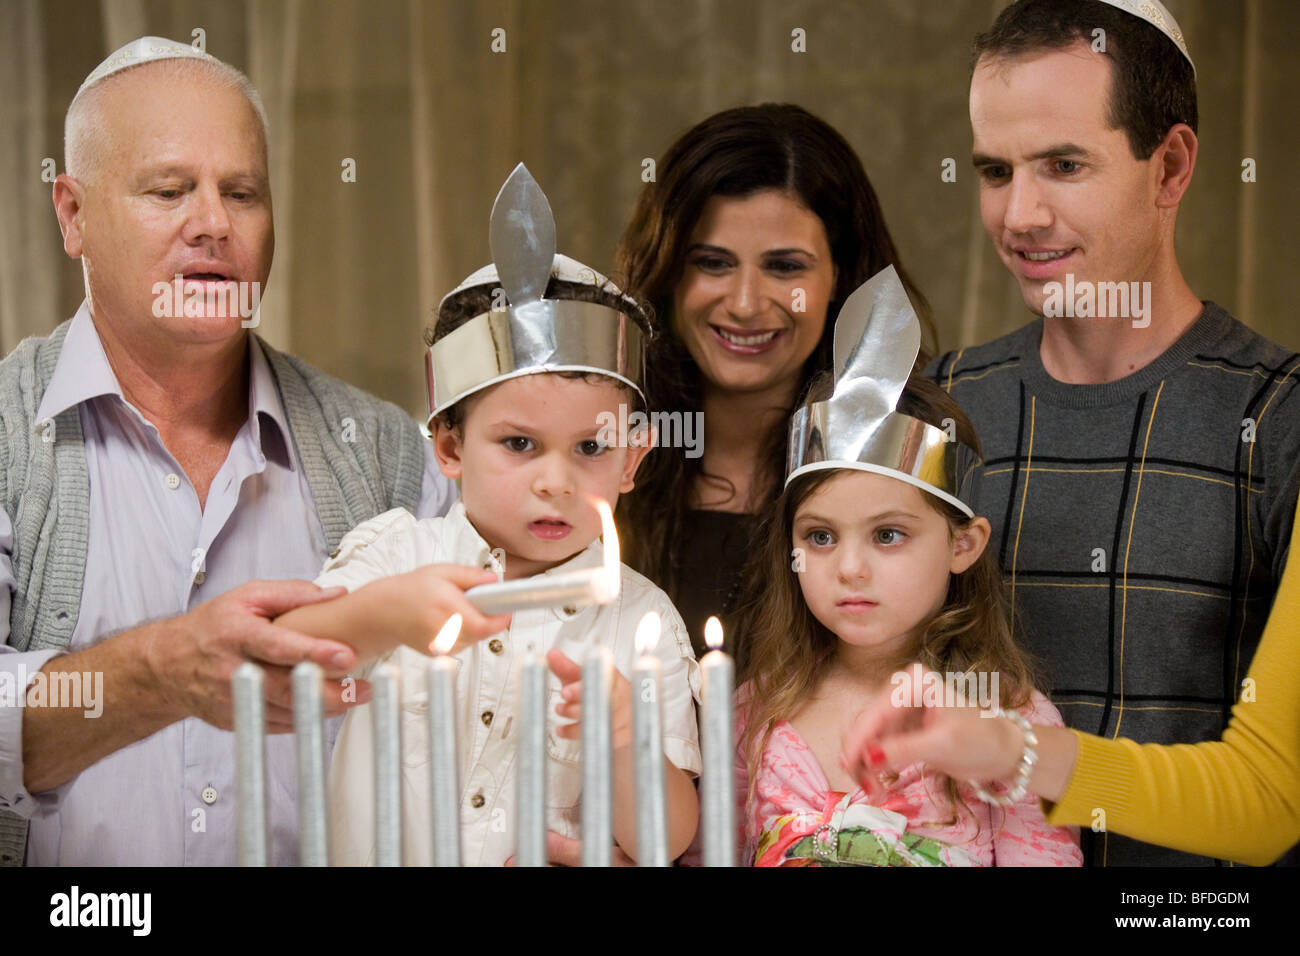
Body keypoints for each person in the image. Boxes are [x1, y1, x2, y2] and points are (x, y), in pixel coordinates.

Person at [0, 37, 492, 867]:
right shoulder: (10, 436)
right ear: (73, 215)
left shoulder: (384, 454)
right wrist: (160, 673)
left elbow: (494, 685)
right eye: (168, 190)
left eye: (243, 193)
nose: (213, 225)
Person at [925, 0, 1300, 865]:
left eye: (1063, 164)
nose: (1019, 215)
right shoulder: (939, 410)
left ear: (1170, 167)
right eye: (994, 171)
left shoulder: (1281, 422)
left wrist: (1019, 757)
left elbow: (1275, 801)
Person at [280, 166, 701, 866]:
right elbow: (289, 659)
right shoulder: (398, 555)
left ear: (632, 459)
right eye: (519, 445)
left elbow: (667, 840)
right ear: (448, 445)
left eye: (591, 447)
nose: (556, 482)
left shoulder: (642, 623)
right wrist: (383, 614)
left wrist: (624, 737)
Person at [727, 267, 1080, 866]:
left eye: (888, 535)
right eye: (819, 537)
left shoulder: (1010, 722)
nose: (850, 568)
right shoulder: (751, 713)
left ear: (962, 545)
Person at [615, 103, 934, 661]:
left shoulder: (901, 457)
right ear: (668, 273)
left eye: (785, 267)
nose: (744, 304)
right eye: (712, 262)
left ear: (841, 275)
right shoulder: (597, 444)